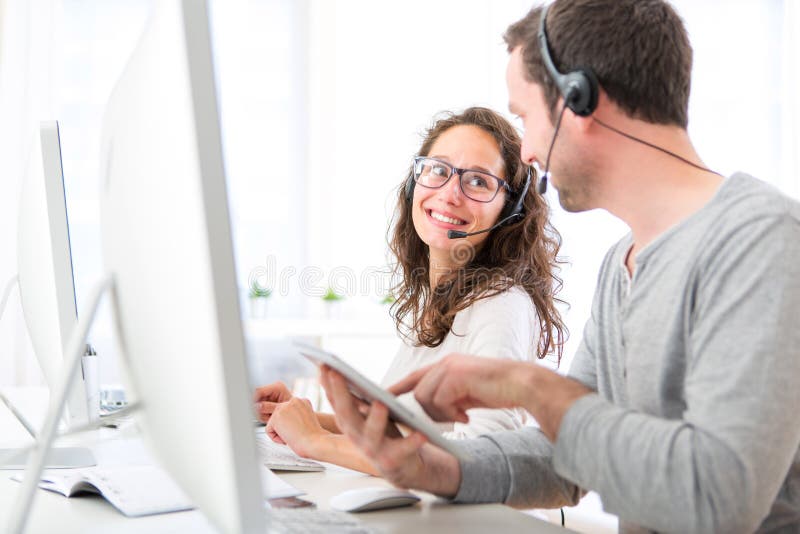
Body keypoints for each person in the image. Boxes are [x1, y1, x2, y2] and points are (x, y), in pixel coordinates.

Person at [320, 1, 800, 532]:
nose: (525, 150)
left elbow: (719, 494)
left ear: (580, 99)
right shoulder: (622, 261)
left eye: (525, 116)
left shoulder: (763, 239)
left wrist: (531, 386)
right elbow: (568, 456)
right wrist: (436, 467)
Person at [254, 107, 566, 474]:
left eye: (478, 181)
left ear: (509, 210)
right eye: (438, 170)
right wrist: (303, 417)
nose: (450, 193)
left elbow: (483, 459)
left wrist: (315, 442)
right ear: (413, 184)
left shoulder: (500, 304)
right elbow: (409, 436)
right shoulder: (446, 299)